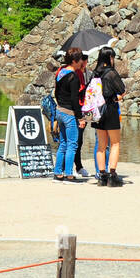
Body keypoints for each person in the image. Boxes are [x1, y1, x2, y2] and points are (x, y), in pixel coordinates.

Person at [91, 48, 126, 187]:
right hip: (110, 109)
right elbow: (122, 90)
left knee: (101, 145)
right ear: (110, 57)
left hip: (97, 111)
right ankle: (112, 175)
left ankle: (102, 175)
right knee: (115, 143)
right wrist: (119, 97)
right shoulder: (111, 73)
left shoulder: (95, 73)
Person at [53, 51, 86, 182]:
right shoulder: (73, 77)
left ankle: (57, 173)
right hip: (69, 113)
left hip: (59, 110)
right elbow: (74, 99)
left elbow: (56, 92)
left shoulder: (61, 72)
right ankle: (68, 174)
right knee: (72, 144)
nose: (82, 62)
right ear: (74, 61)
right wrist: (80, 118)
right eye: (80, 60)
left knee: (63, 143)